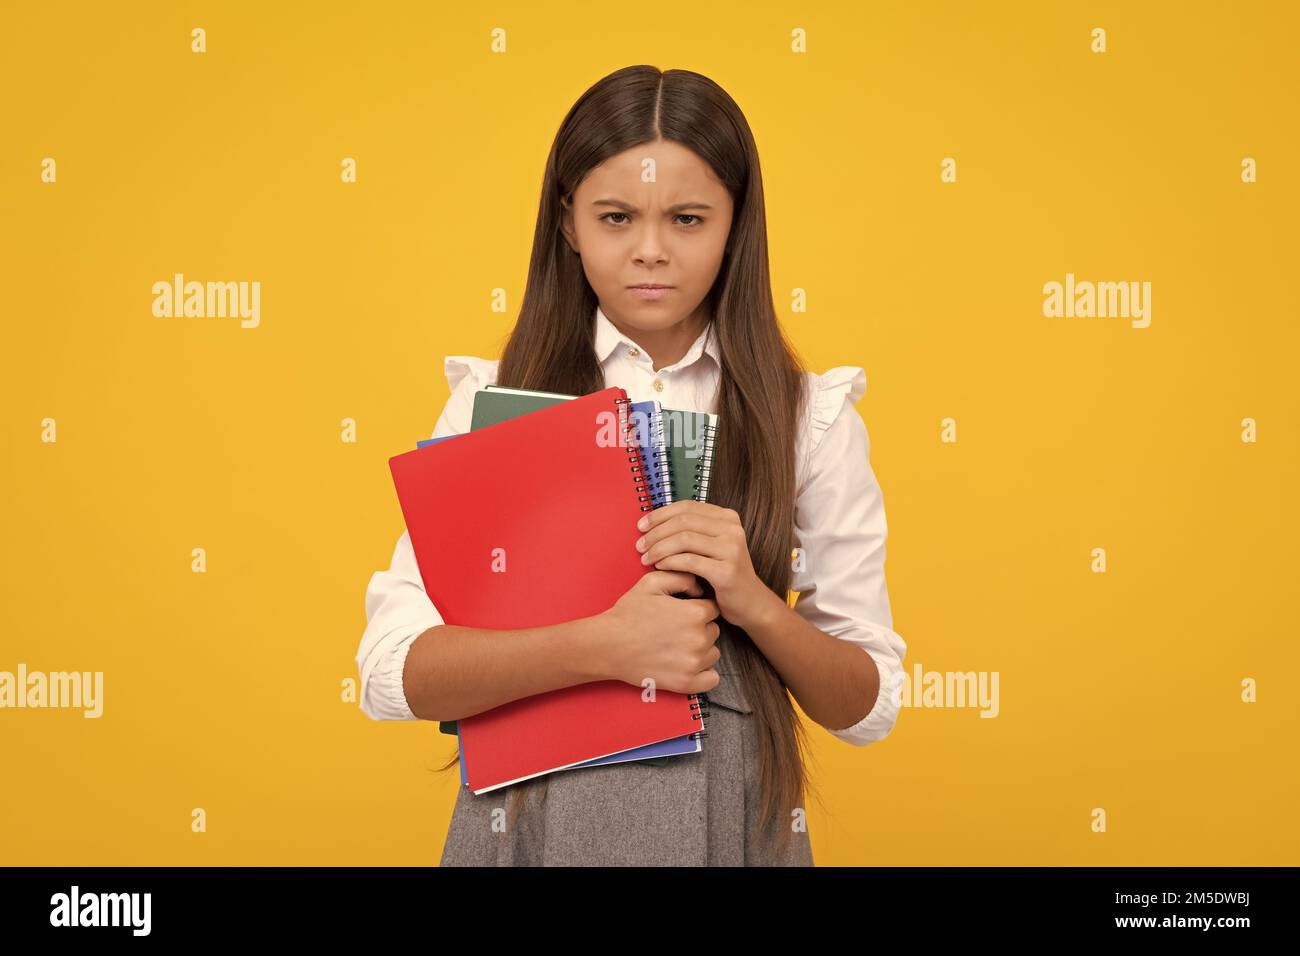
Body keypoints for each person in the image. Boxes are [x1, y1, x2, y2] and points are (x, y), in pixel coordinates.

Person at [355, 65, 907, 866]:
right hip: (532, 824)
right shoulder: (491, 402)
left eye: (687, 219)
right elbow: (390, 673)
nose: (651, 251)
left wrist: (752, 598)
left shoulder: (808, 418)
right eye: (616, 217)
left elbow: (866, 706)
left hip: (732, 815)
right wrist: (605, 645)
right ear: (569, 224)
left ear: (736, 224)